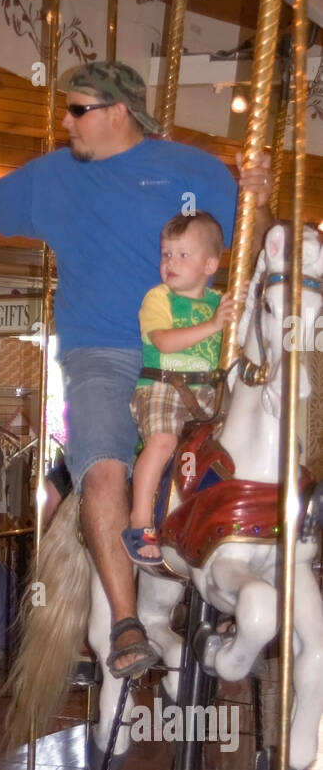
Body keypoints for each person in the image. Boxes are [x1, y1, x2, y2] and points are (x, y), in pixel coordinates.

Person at [0, 61, 273, 677]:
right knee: (103, 468)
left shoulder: (196, 172)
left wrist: (260, 199)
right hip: (103, 353)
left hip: (194, 353)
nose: (65, 121)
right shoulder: (54, 178)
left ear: (118, 113)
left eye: (77, 109)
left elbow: (258, 247)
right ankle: (126, 623)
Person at [122, 211, 235, 567]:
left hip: (208, 395)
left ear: (210, 264)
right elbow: (165, 342)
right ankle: (139, 522)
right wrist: (215, 325)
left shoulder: (221, 303)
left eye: (183, 255)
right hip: (162, 386)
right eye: (166, 254)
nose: (170, 262)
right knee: (163, 442)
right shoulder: (159, 298)